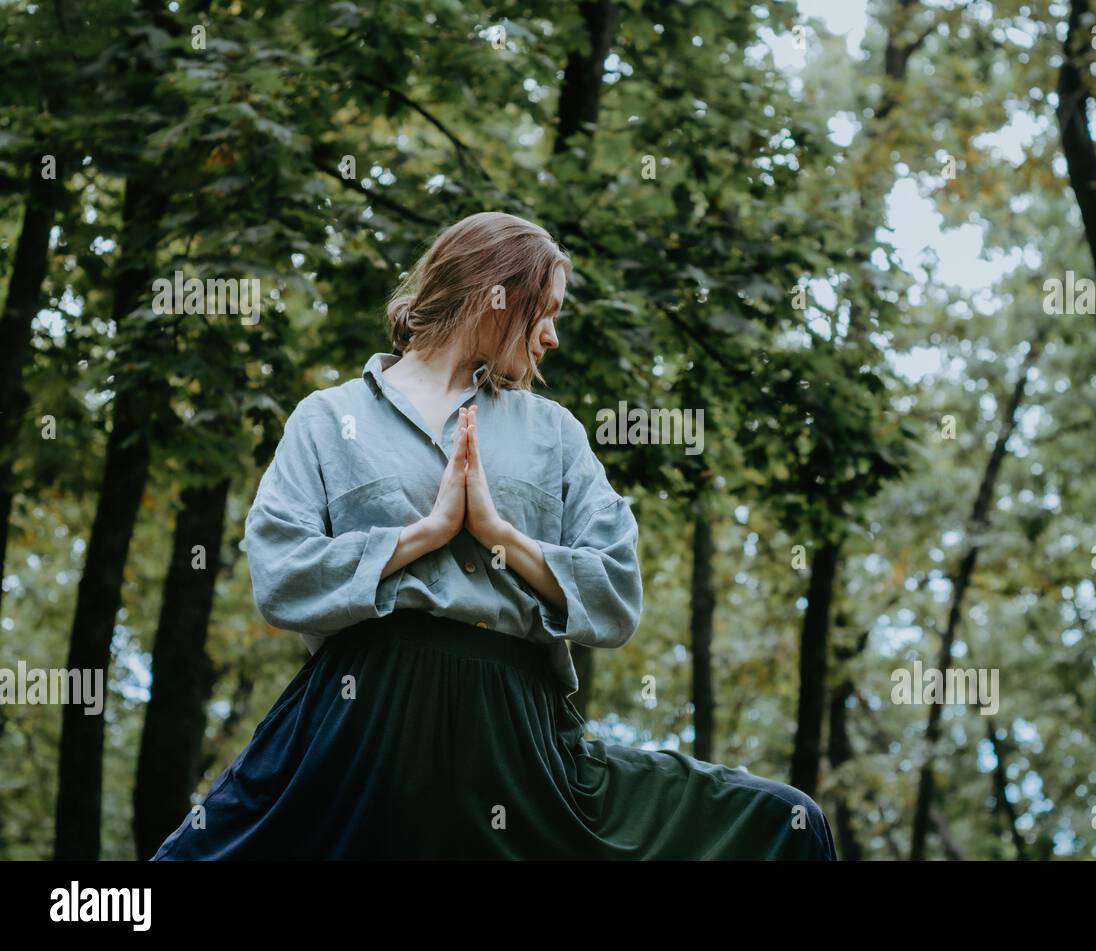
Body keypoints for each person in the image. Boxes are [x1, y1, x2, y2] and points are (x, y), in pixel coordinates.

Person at [150, 211, 837, 860]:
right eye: (549, 312)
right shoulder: (329, 419)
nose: (553, 338)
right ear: (498, 294)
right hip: (358, 724)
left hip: (517, 730)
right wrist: (427, 533)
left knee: (785, 822)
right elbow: (280, 574)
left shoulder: (554, 433)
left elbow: (618, 593)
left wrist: (498, 532)